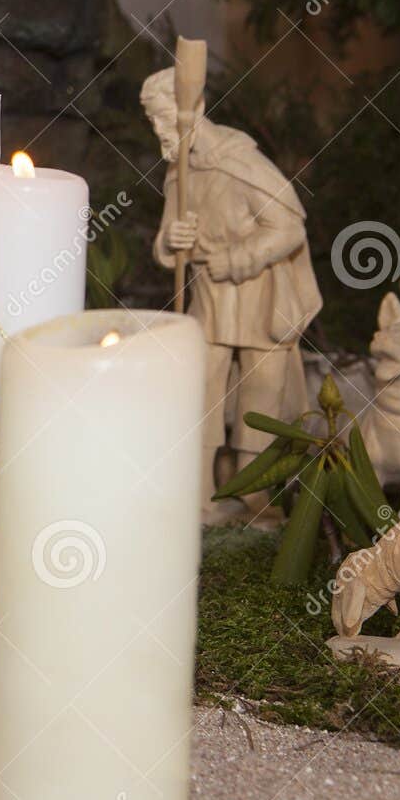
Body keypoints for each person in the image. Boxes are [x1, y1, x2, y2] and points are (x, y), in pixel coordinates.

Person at [142, 67, 323, 514]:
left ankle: (253, 493)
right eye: (154, 122)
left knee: (261, 393)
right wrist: (172, 242)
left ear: (194, 111)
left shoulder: (241, 162)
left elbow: (288, 227)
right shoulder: (180, 171)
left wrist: (239, 257)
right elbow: (164, 241)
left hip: (261, 298)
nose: (159, 131)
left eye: (165, 119)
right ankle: (200, 491)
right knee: (201, 388)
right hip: (211, 297)